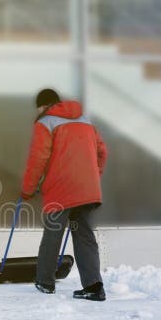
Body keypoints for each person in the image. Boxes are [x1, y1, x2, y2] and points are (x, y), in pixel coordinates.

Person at [21, 88, 108, 300]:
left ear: (44, 105)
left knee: (53, 234)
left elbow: (38, 158)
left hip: (61, 190)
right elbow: (102, 152)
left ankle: (45, 282)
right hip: (87, 189)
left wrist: (27, 189)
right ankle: (94, 287)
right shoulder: (85, 120)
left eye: (39, 107)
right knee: (84, 236)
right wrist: (93, 177)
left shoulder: (46, 122)